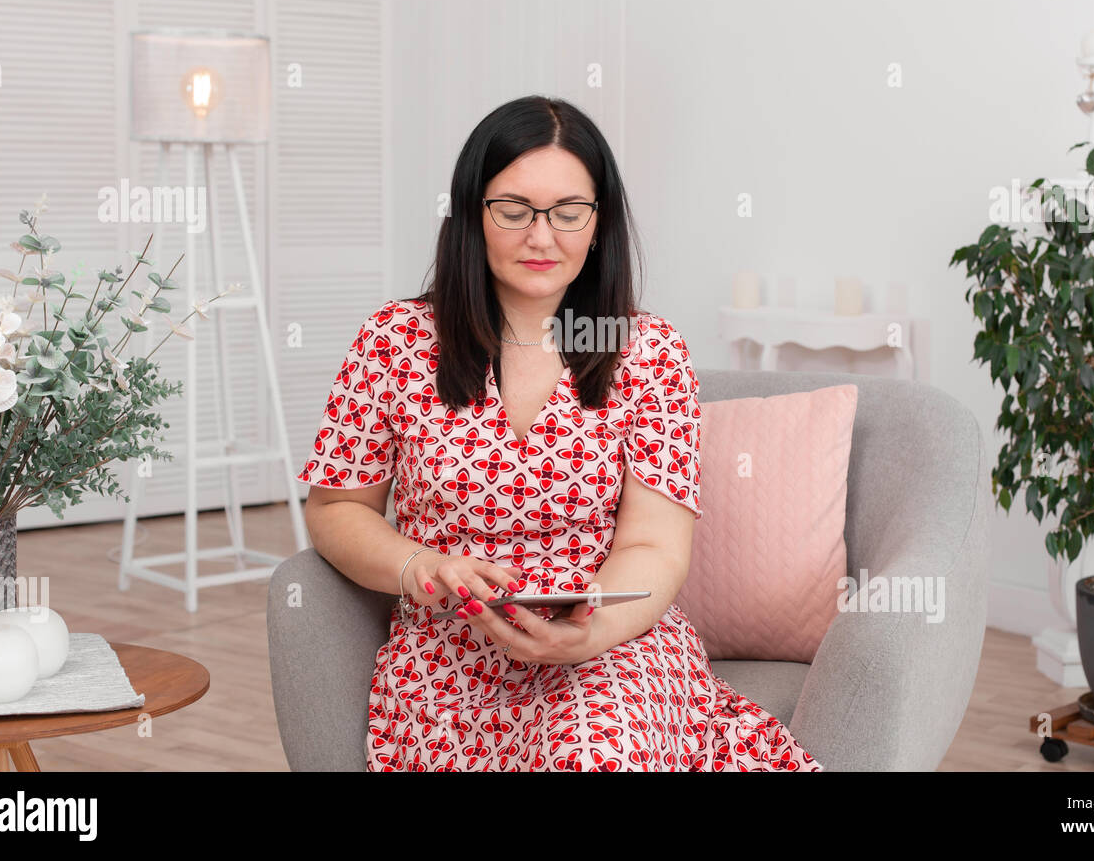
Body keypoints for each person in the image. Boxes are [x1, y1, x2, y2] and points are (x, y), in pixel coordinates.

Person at [298, 95, 823, 771]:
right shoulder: (393, 341)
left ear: (599, 223)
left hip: (610, 644)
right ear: (470, 216)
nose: (541, 238)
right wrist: (420, 568)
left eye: (568, 213)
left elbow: (654, 545)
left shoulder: (648, 351)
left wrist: (592, 631)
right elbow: (337, 508)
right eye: (513, 211)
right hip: (451, 661)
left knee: (594, 751)